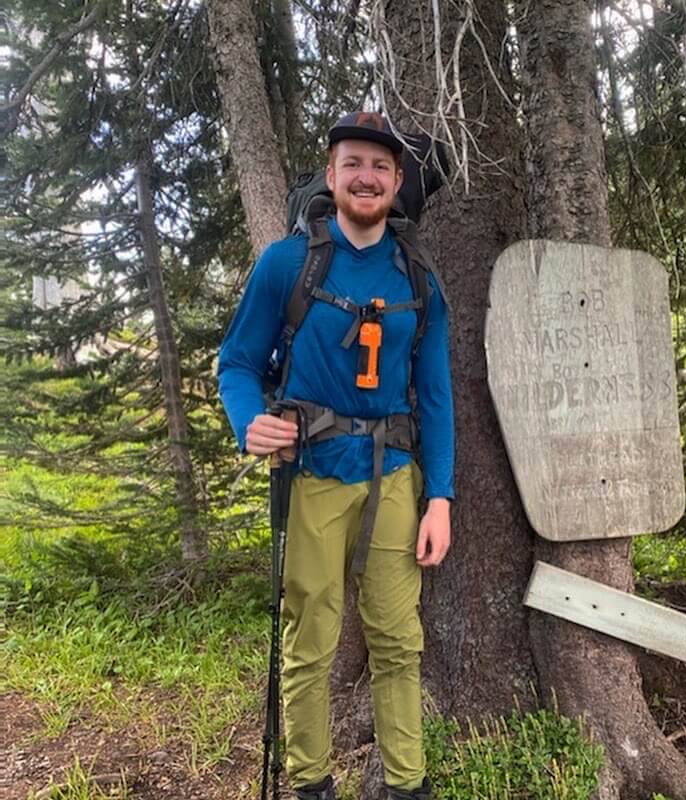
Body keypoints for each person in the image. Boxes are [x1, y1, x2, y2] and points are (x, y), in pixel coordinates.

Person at [218, 111, 455, 800]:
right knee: (310, 641)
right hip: (311, 476)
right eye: (353, 162)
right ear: (331, 174)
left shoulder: (419, 277)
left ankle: (406, 787)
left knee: (397, 641)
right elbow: (237, 363)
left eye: (381, 166)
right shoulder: (288, 263)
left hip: (396, 480)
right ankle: (312, 785)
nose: (366, 176)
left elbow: (436, 398)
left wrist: (439, 497)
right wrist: (248, 421)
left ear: (397, 181)